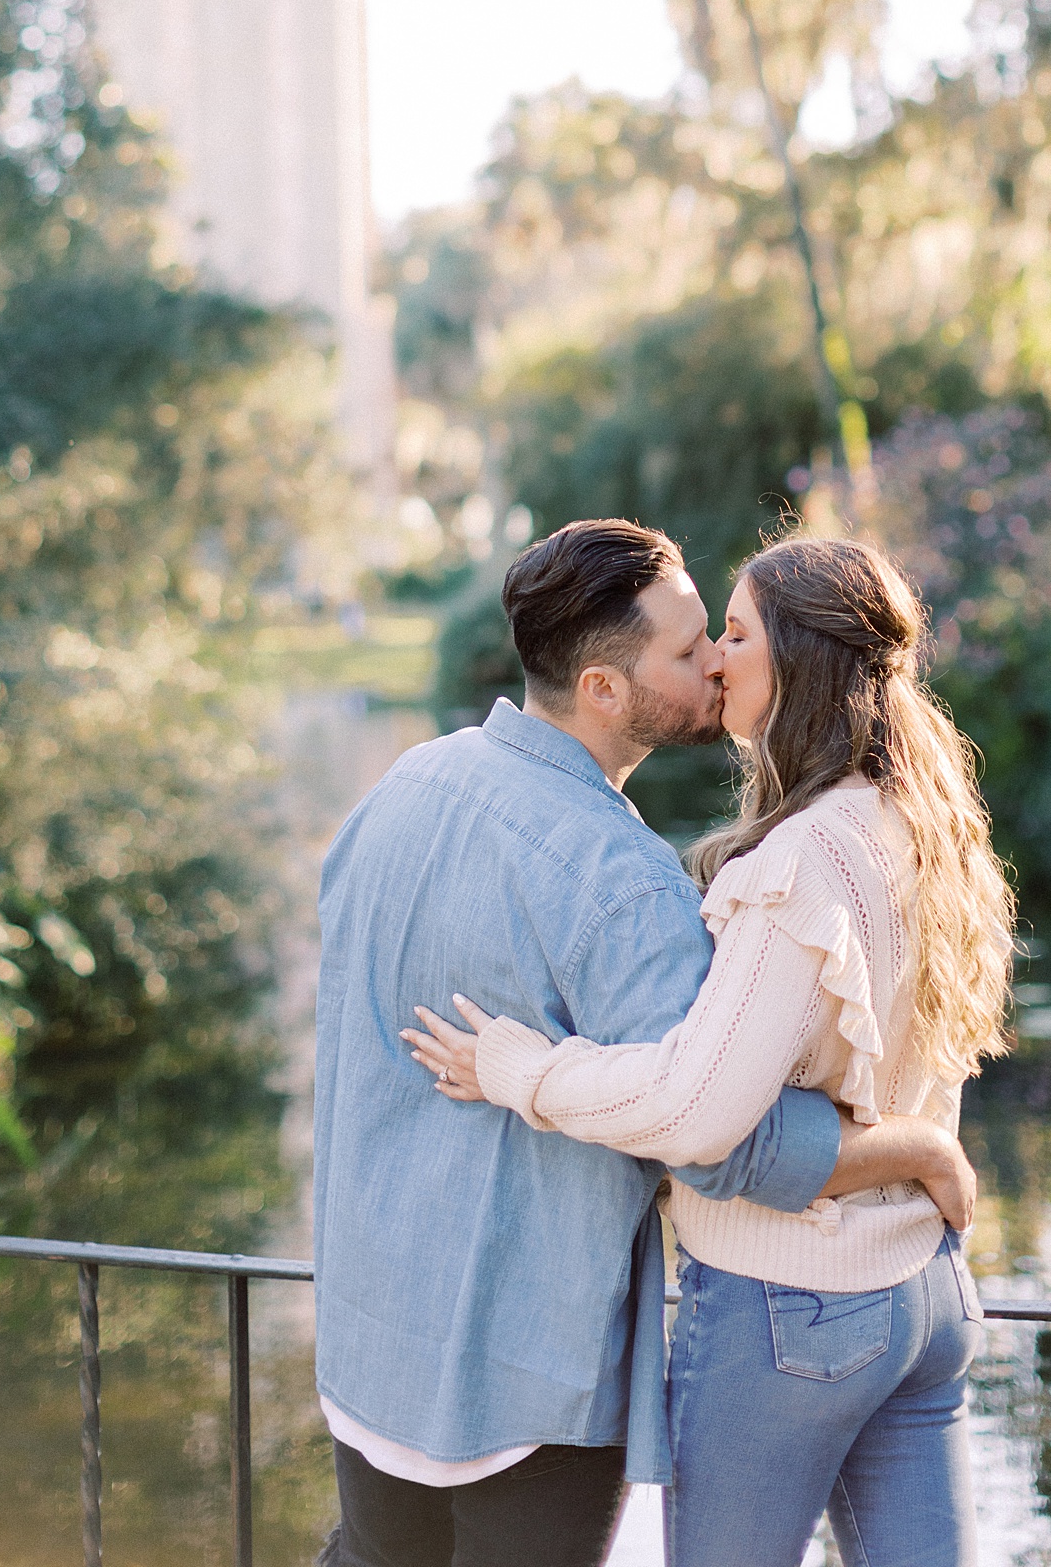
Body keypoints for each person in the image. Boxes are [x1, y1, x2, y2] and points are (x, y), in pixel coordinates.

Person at [313, 518, 980, 1567]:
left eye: (723, 636)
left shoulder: (399, 790)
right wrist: (913, 1149)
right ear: (604, 690)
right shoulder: (622, 883)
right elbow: (717, 1136)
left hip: (369, 1345)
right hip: (528, 1371)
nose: (714, 664)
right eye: (686, 648)